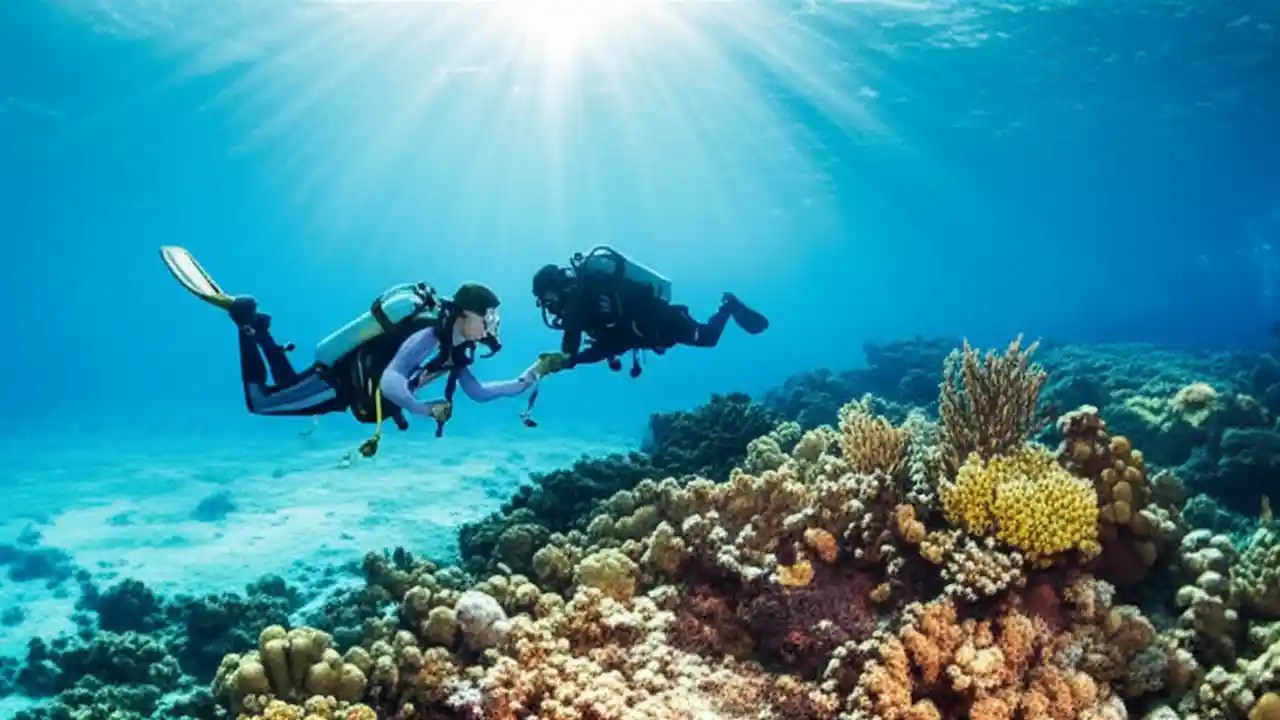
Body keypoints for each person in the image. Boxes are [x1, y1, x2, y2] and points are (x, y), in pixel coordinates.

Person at [160, 246, 565, 456]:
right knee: (260, 402)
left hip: (349, 393)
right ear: (464, 315)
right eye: (487, 315)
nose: (492, 323)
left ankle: (259, 328)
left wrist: (533, 374)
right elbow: (391, 381)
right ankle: (246, 323)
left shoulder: (457, 350)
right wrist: (425, 409)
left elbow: (478, 393)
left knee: (286, 384)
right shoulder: (429, 337)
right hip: (339, 386)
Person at [531, 245, 768, 377]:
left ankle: (729, 306)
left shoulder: (591, 295)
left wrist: (569, 359)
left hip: (667, 321)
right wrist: (567, 360)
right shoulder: (584, 309)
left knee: (709, 338)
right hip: (649, 333)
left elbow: (608, 344)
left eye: (548, 300)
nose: (551, 308)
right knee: (706, 339)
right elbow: (601, 343)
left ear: (557, 289)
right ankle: (728, 307)